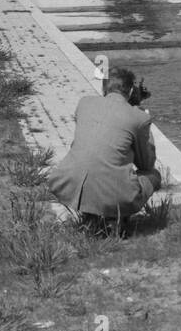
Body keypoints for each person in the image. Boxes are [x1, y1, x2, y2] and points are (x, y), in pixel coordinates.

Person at [47, 67, 162, 225]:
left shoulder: (84, 102)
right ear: (130, 92)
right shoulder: (139, 117)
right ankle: (117, 218)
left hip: (65, 184)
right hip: (111, 195)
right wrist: (144, 118)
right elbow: (146, 164)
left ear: (104, 88)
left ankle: (90, 214)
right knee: (153, 175)